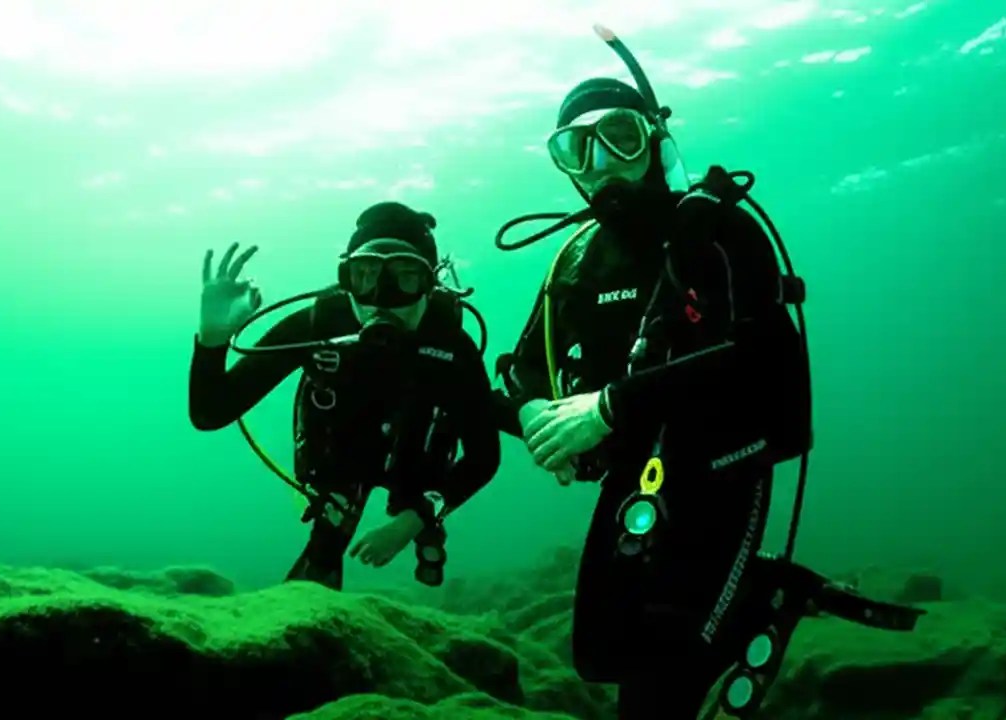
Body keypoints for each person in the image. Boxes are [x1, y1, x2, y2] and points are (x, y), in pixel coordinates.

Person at [492, 25, 923, 720]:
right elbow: (518, 375)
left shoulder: (718, 231)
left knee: (659, 686)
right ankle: (769, 593)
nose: (601, 163)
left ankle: (765, 598)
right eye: (577, 147)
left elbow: (762, 356)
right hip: (641, 465)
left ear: (656, 142)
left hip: (727, 466)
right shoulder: (575, 264)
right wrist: (534, 417)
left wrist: (606, 408)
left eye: (620, 137)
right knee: (598, 655)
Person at [189, 201, 500, 591]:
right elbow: (210, 412)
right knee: (323, 553)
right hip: (342, 460)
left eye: (405, 277)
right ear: (346, 278)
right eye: (366, 276)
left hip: (417, 463)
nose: (382, 298)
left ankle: (424, 524)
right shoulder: (319, 324)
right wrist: (212, 339)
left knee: (416, 494)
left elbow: (484, 455)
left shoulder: (450, 344)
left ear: (430, 283)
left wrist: (413, 519)